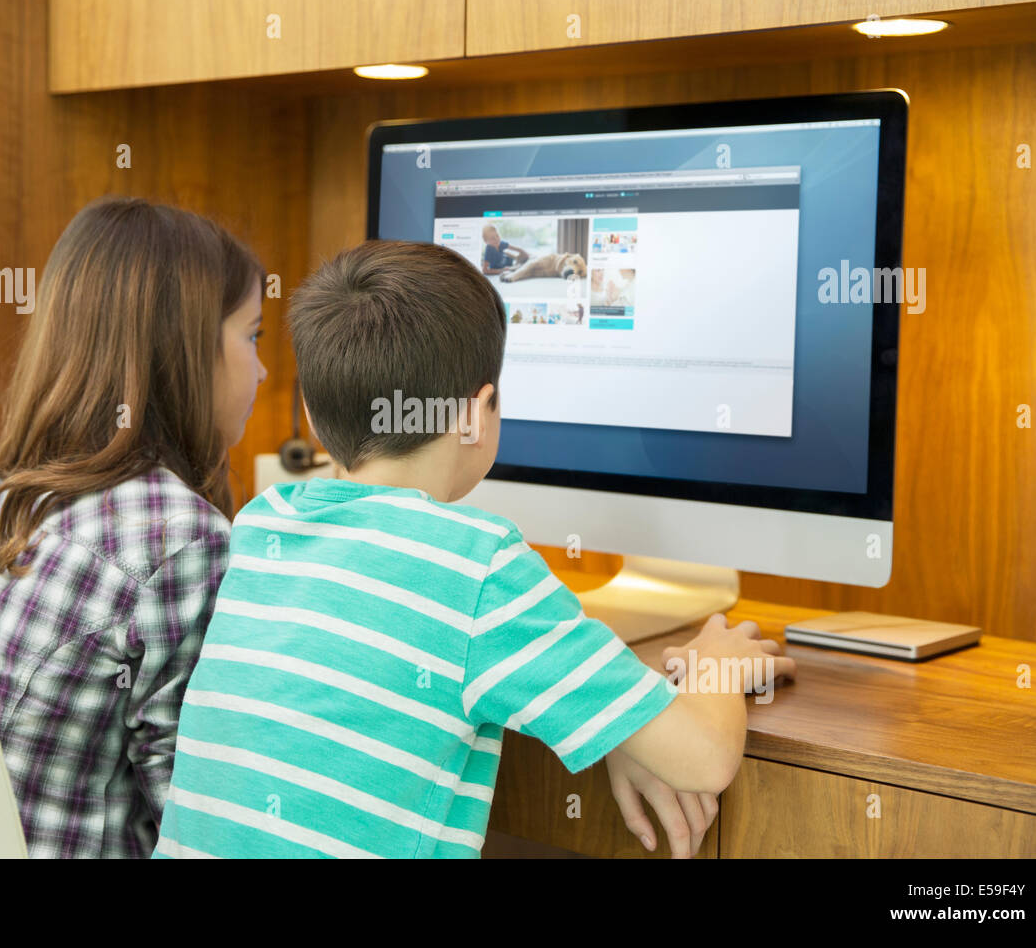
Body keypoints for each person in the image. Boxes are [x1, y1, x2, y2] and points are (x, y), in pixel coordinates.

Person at [156, 240, 793, 859]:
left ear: (312, 415)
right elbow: (706, 759)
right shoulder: (478, 567)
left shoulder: (263, 524)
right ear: (479, 412)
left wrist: (617, 720)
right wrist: (719, 665)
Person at [0, 195, 268, 857]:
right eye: (253, 335)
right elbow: (197, 820)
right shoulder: (180, 541)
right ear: (187, 348)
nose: (264, 370)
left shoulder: (8, 496)